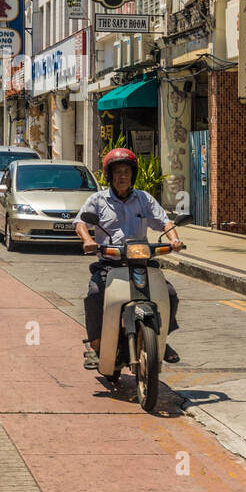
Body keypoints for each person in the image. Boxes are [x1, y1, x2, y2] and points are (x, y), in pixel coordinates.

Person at [75, 148, 184, 369]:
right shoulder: (98, 200)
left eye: (126, 171)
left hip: (140, 261)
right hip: (110, 262)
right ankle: (95, 346)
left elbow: (164, 221)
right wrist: (87, 239)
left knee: (170, 294)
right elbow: (80, 223)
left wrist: (174, 239)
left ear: (132, 175)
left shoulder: (144, 198)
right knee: (95, 295)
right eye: (117, 172)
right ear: (109, 175)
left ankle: (162, 340)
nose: (122, 176)